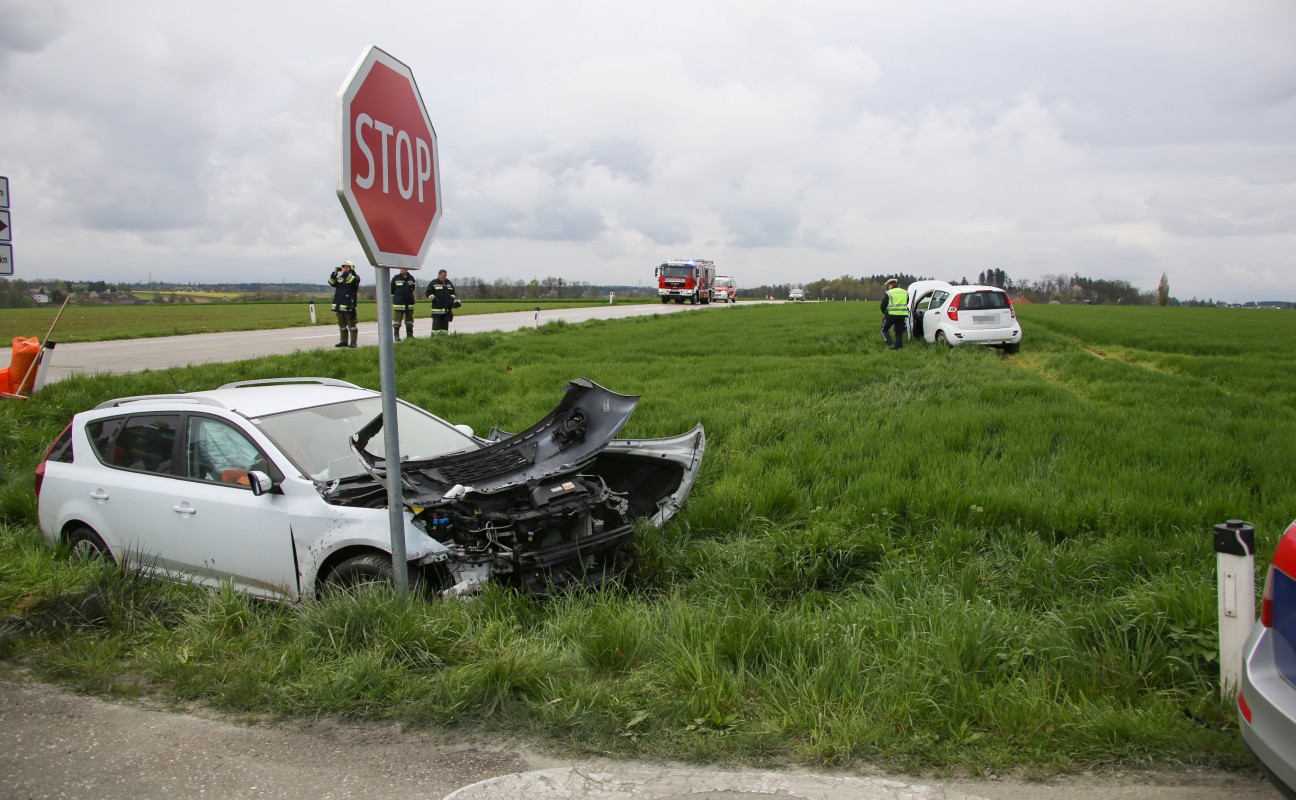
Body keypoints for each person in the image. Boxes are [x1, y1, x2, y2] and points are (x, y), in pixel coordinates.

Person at [329, 261, 361, 348]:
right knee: (342, 325)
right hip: (339, 305)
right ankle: (343, 341)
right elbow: (332, 283)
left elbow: (351, 280)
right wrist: (334, 274)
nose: (345, 268)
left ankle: (353, 342)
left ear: (351, 268)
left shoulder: (355, 278)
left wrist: (344, 273)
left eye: (347, 267)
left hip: (349, 306)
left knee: (352, 325)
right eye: (344, 267)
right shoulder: (340, 278)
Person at [425, 268, 458, 336]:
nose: (445, 277)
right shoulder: (434, 283)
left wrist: (451, 298)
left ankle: (444, 338)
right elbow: (428, 293)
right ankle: (434, 338)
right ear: (439, 275)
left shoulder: (449, 283)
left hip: (446, 310)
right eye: (443, 275)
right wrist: (434, 299)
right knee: (436, 326)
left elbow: (453, 293)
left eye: (446, 275)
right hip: (437, 310)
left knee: (445, 327)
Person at [880, 278, 909, 350]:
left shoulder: (888, 293)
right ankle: (899, 347)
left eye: (888, 286)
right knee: (899, 332)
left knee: (884, 329)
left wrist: (885, 313)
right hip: (902, 314)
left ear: (890, 285)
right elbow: (907, 302)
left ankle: (890, 343)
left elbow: (883, 306)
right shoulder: (905, 292)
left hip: (891, 315)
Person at [391, 268, 418, 341]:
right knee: (397, 321)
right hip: (399, 303)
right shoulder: (395, 278)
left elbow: (412, 289)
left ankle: (409, 335)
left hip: (409, 303)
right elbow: (391, 290)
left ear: (407, 269)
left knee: (409, 321)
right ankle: (396, 336)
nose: (402, 270)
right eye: (401, 268)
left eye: (403, 268)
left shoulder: (411, 278)